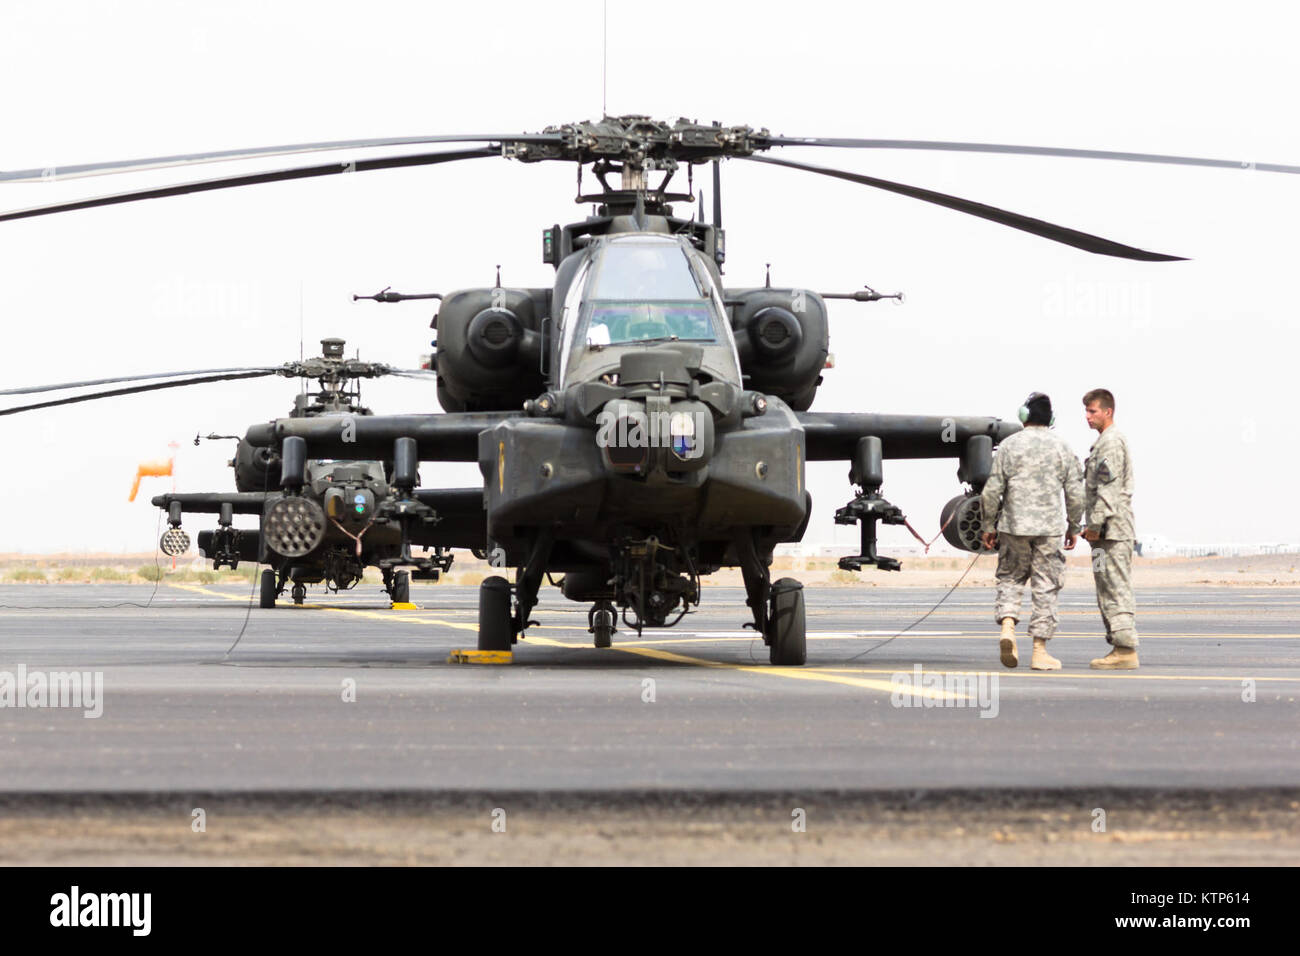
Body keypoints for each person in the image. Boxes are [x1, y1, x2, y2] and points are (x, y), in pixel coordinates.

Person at [980, 392, 1084, 670]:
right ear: (1051, 419)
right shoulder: (1062, 446)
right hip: (1049, 529)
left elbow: (991, 491)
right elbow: (1075, 492)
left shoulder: (1009, 446)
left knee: (1010, 578)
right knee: (1045, 586)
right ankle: (1039, 651)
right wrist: (1074, 526)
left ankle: (1007, 628)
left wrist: (988, 526)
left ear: (1023, 416)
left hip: (1013, 527)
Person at [1081, 388, 1139, 669]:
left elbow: (1109, 488)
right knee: (1106, 587)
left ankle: (1125, 649)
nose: (1088, 417)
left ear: (1108, 411)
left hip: (1111, 532)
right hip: (1105, 533)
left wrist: (1095, 524)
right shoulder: (1104, 442)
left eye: (1093, 411)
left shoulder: (1111, 443)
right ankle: (1119, 645)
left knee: (1115, 587)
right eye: (1087, 411)